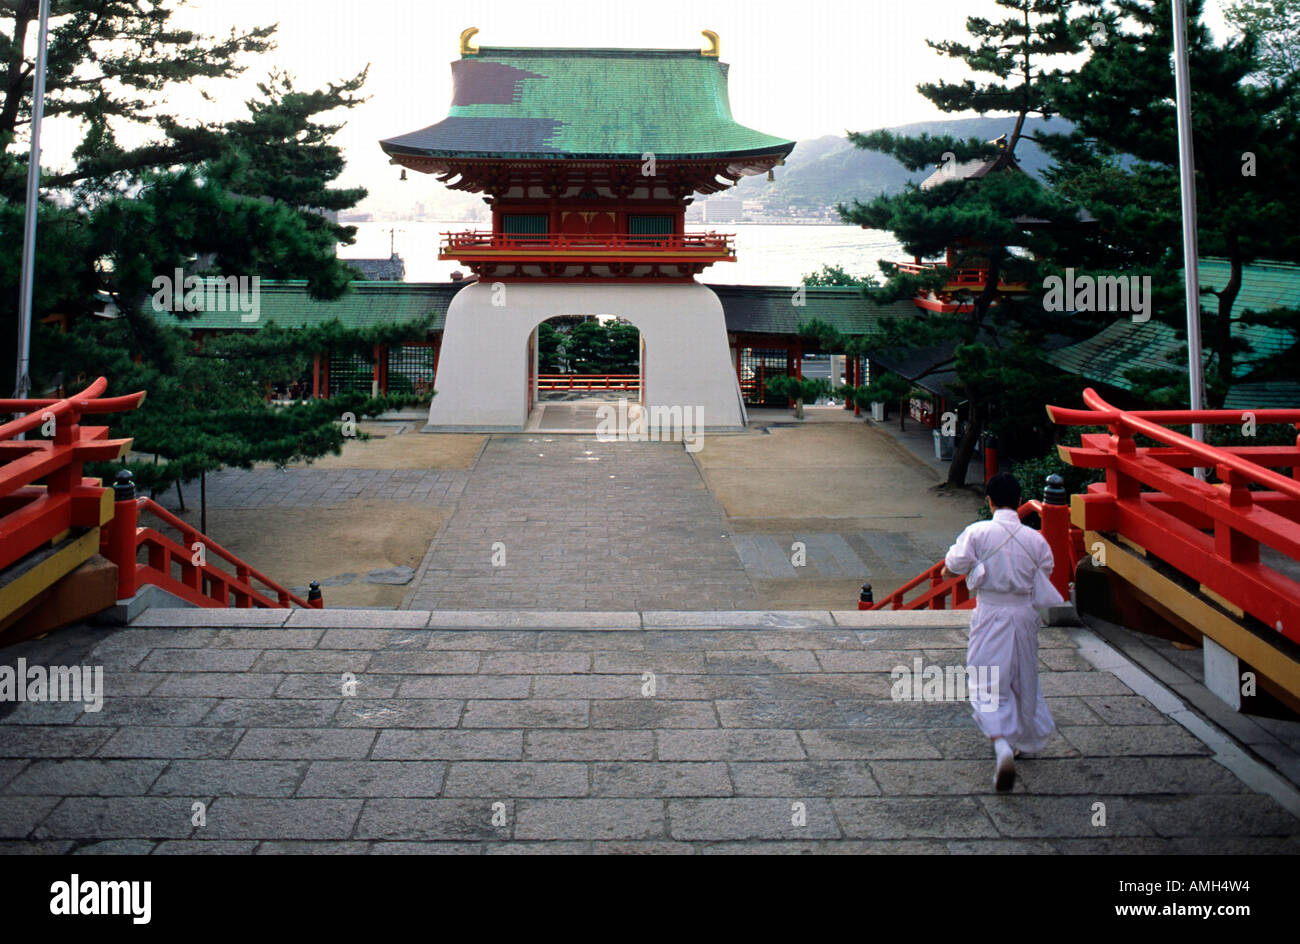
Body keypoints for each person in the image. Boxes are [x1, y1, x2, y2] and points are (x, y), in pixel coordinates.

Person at [941, 472, 1059, 791]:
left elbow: (954, 564)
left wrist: (949, 570)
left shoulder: (978, 532)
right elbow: (1045, 570)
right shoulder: (1035, 539)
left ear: (989, 501)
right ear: (1020, 501)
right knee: (1022, 677)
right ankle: (1019, 739)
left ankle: (1002, 745)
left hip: (991, 612)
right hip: (1023, 614)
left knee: (986, 679)